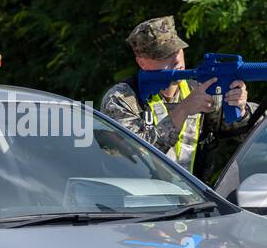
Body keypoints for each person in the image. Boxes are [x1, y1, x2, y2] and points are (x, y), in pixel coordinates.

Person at [99, 16, 258, 179]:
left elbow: (256, 137)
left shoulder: (198, 89)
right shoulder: (121, 98)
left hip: (192, 200)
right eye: (164, 55)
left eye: (177, 50)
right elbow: (135, 156)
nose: (176, 59)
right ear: (142, 62)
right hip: (138, 200)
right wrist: (183, 109)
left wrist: (241, 109)